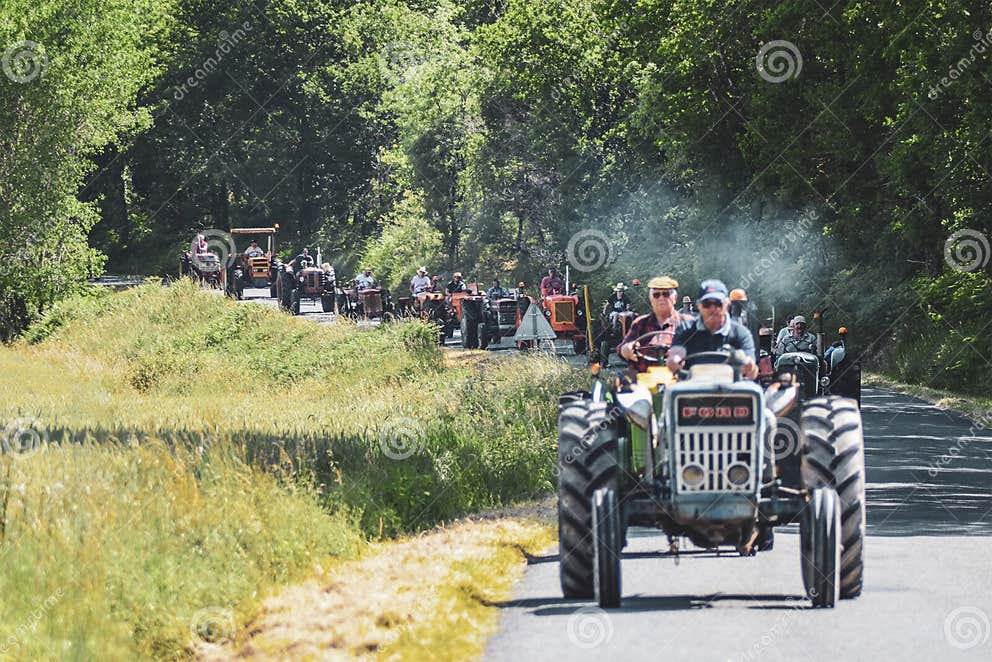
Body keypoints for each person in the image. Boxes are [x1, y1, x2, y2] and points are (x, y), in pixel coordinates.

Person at [665, 279, 759, 379]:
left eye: (718, 303)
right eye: (707, 304)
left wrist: (748, 366)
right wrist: (674, 361)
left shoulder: (741, 333)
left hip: (730, 386)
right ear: (699, 306)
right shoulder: (685, 329)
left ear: (727, 304)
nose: (713, 308)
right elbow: (676, 355)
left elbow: (752, 373)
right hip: (692, 386)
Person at [617, 276, 688, 362]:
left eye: (666, 294)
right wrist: (626, 349)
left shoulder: (688, 323)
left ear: (675, 298)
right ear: (651, 299)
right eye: (656, 295)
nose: (661, 298)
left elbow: (699, 352)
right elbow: (623, 347)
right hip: (646, 370)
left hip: (678, 369)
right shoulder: (640, 323)